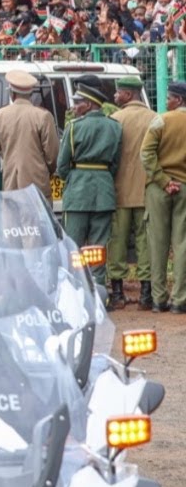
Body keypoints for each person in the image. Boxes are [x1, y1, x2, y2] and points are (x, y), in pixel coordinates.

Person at [57, 76, 121, 294]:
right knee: (99, 246)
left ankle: (74, 291)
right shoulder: (114, 127)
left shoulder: (74, 128)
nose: (74, 107)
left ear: (89, 104)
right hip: (104, 190)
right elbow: (115, 163)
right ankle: (99, 291)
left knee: (73, 245)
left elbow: (62, 166)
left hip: (77, 191)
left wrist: (75, 177)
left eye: (78, 103)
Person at [108, 76, 155, 310]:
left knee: (116, 240)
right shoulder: (155, 119)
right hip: (147, 190)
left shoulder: (115, 119)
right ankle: (146, 293)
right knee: (145, 241)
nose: (115, 97)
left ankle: (117, 292)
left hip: (119, 190)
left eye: (118, 93)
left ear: (128, 95)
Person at [140, 81, 186, 313]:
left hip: (159, 189)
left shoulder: (161, 120)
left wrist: (163, 181)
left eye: (169, 97)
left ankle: (159, 299)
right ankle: (180, 300)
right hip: (185, 188)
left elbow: (146, 153)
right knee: (182, 243)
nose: (166, 101)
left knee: (157, 243)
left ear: (178, 100)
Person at [0, 71, 58, 199]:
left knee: (12, 218)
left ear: (12, 93)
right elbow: (52, 155)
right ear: (31, 93)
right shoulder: (43, 116)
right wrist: (45, 170)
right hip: (37, 185)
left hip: (10, 183)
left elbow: (0, 148)